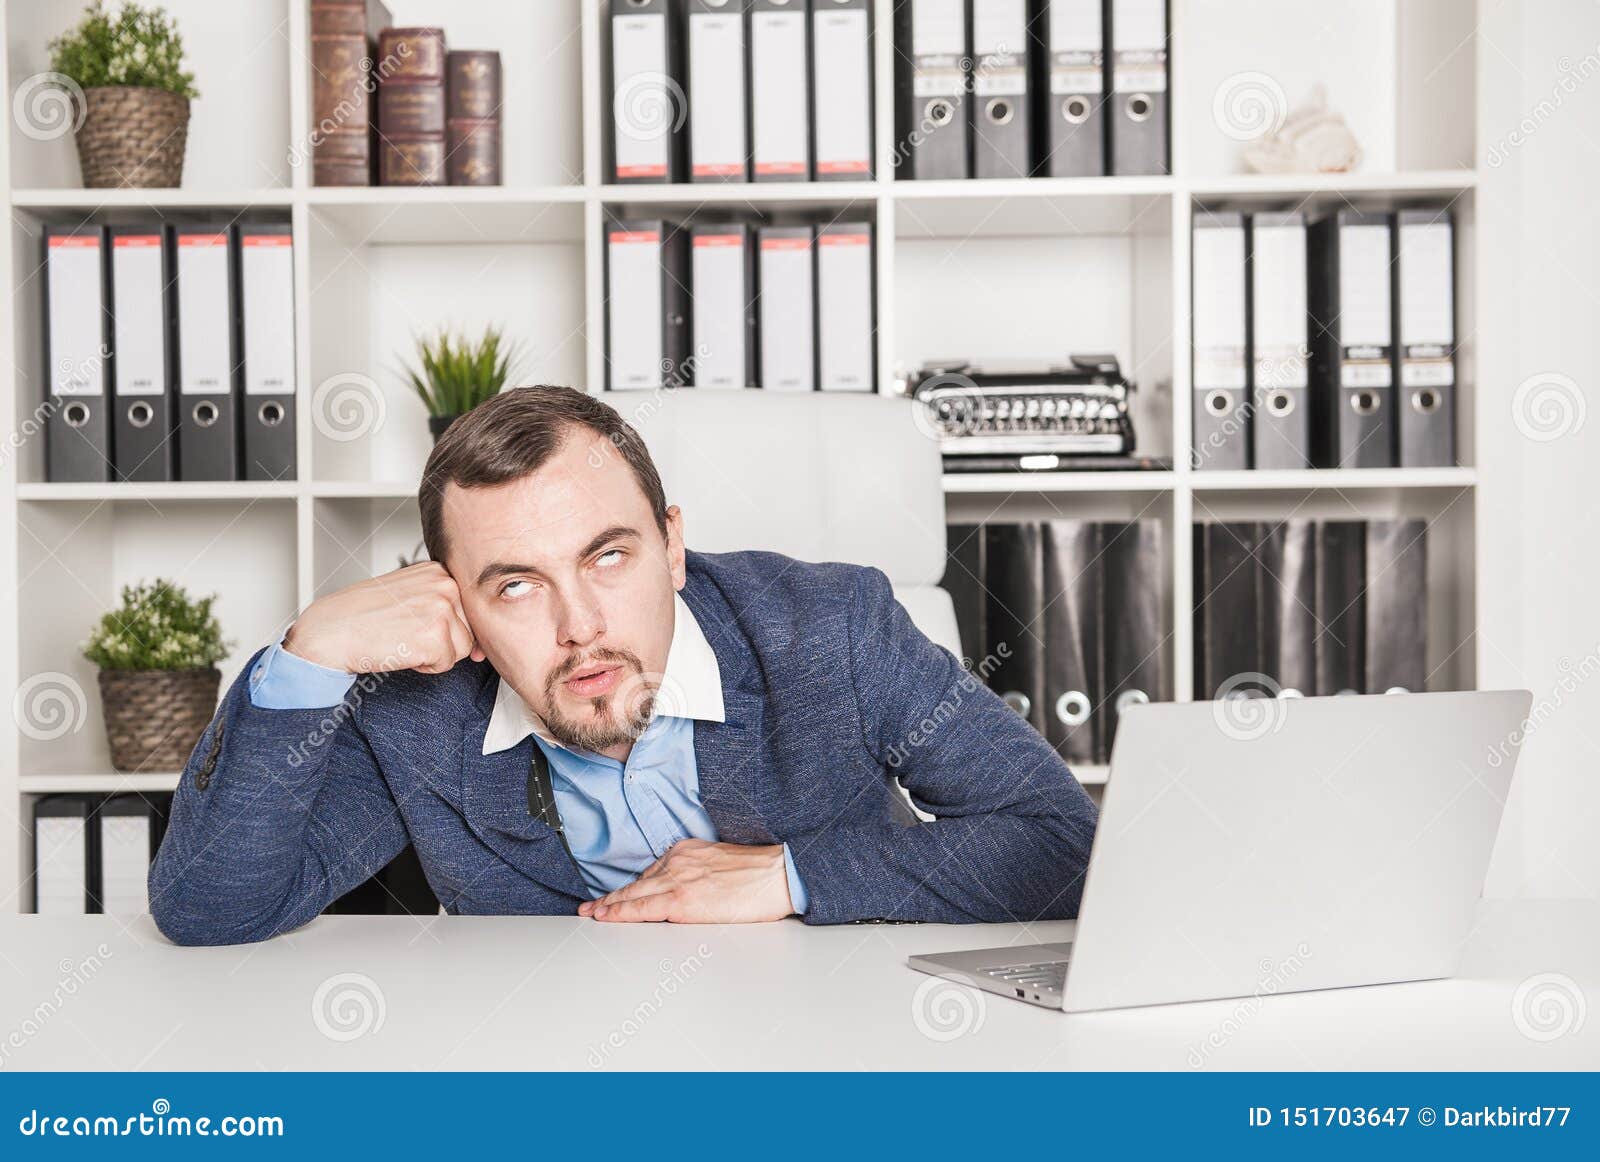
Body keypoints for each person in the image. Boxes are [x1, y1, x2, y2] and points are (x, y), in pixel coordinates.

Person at [150, 386, 1098, 945]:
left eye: (610, 558)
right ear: (453, 600)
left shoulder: (830, 628)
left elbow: (1064, 843)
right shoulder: (416, 706)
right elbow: (211, 907)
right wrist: (307, 657)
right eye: (516, 584)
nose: (580, 627)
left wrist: (789, 878)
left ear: (672, 546)